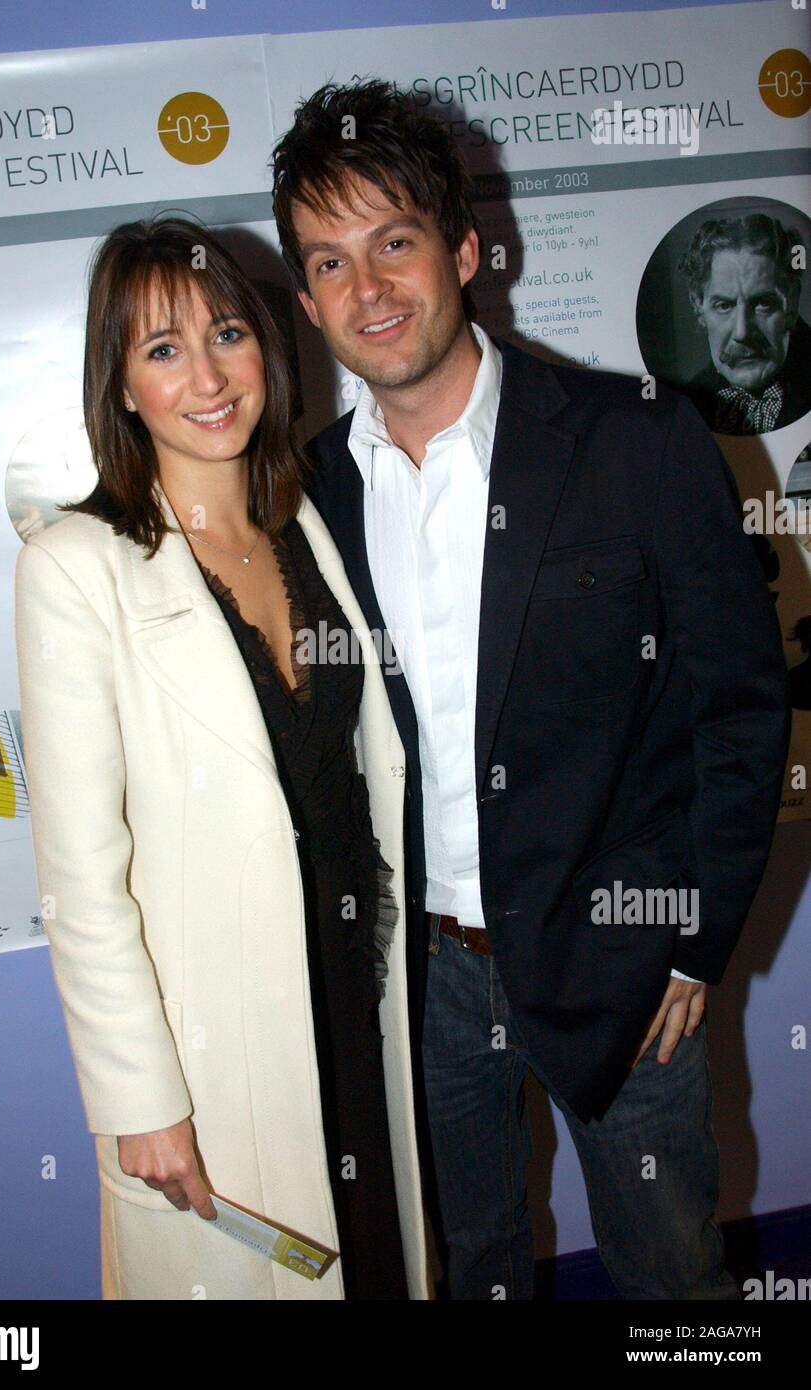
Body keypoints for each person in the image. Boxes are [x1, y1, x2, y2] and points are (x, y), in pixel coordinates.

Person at [270, 81, 791, 1300]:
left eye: (394, 241)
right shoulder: (302, 498)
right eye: (330, 262)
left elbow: (739, 705)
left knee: (672, 1277)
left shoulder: (636, 439)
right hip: (422, 975)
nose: (370, 290)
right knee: (471, 1266)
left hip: (621, 954)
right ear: (305, 299)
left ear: (462, 249)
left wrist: (695, 943)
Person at [13, 214, 430, 1301]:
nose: (206, 374)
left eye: (228, 333)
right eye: (161, 349)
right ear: (120, 387)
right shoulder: (76, 568)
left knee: (378, 1266)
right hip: (215, 1043)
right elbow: (79, 880)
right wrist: (139, 1097)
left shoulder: (305, 525)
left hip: (352, 998)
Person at [677, 213, 811, 436]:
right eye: (723, 306)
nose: (742, 332)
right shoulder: (684, 408)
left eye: (763, 304)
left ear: (792, 302)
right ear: (698, 306)